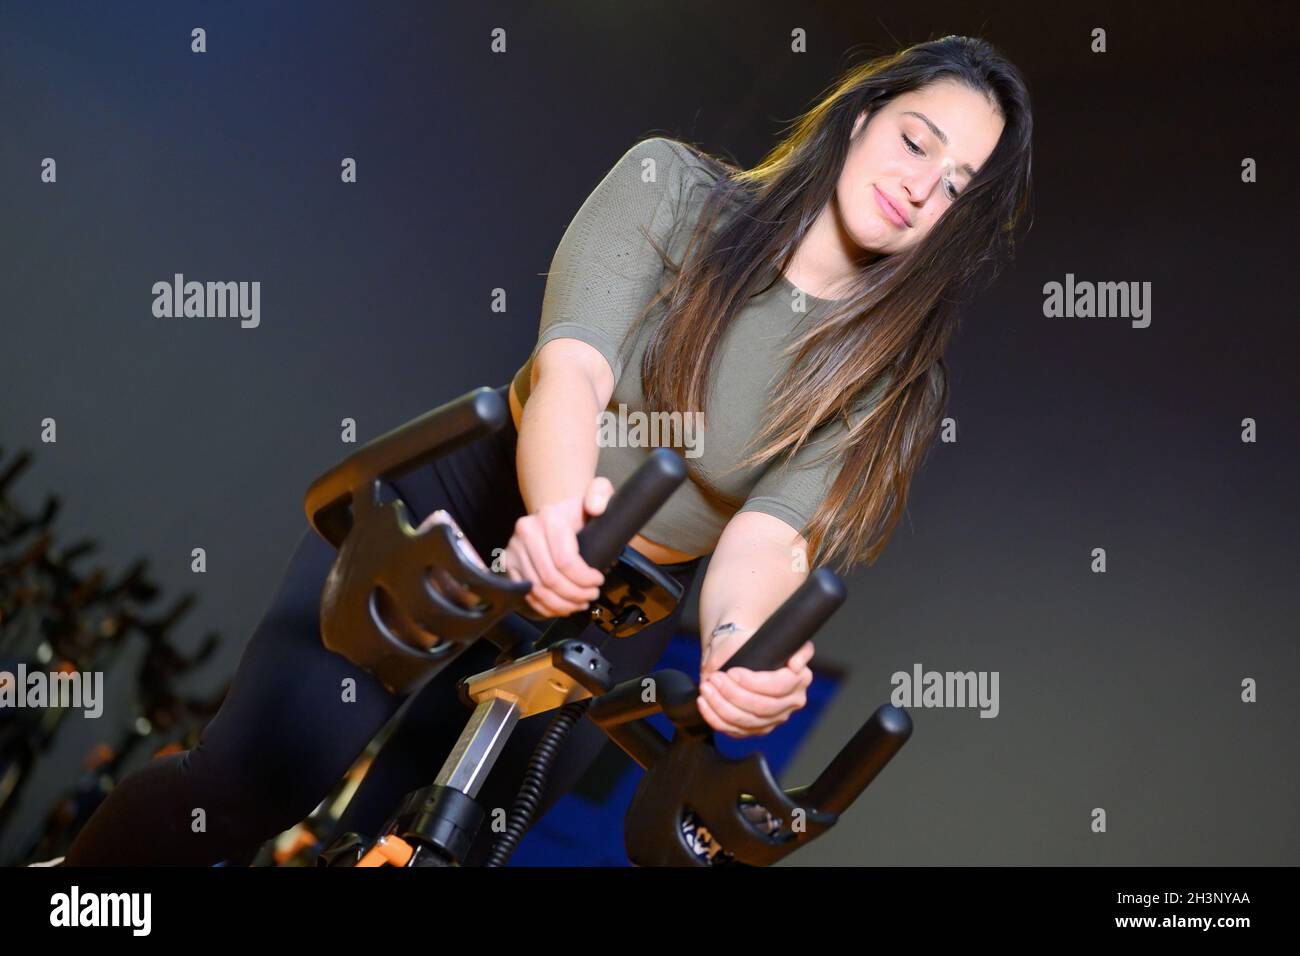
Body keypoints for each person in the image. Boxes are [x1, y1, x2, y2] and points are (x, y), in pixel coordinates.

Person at [63, 35, 1032, 866]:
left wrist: (739, 655)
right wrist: (559, 514)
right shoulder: (671, 189)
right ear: (862, 117)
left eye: (955, 188)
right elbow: (574, 371)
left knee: (426, 842)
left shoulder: (890, 380)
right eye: (916, 141)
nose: (921, 186)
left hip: (615, 605)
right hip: (461, 507)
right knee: (251, 783)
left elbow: (768, 539)